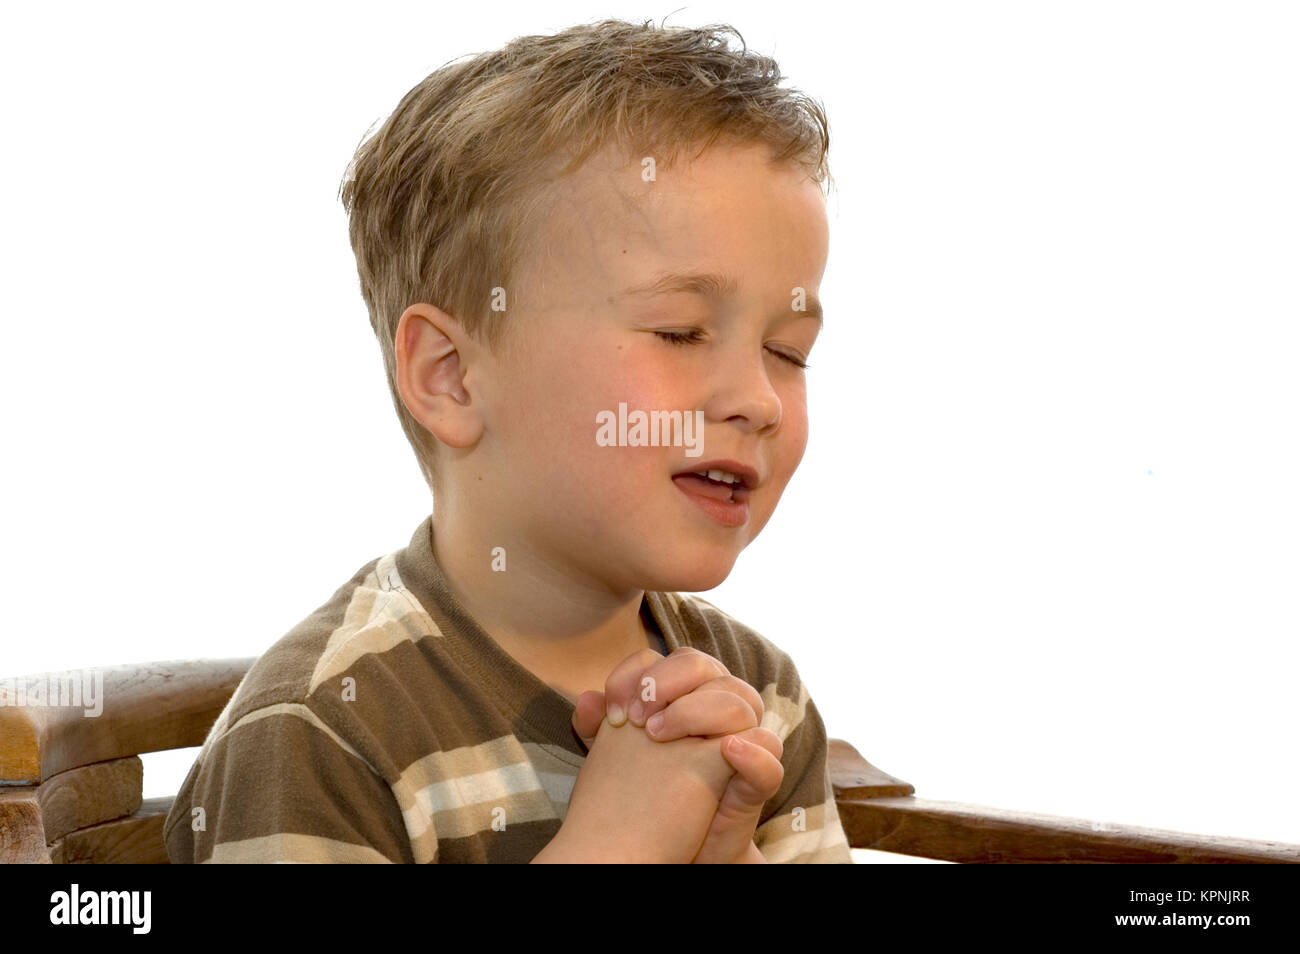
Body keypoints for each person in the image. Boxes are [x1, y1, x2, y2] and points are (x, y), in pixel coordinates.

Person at [163, 17, 852, 863]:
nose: (758, 399)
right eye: (679, 331)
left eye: (787, 351)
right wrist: (614, 845)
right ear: (452, 375)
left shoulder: (759, 698)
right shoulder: (323, 737)